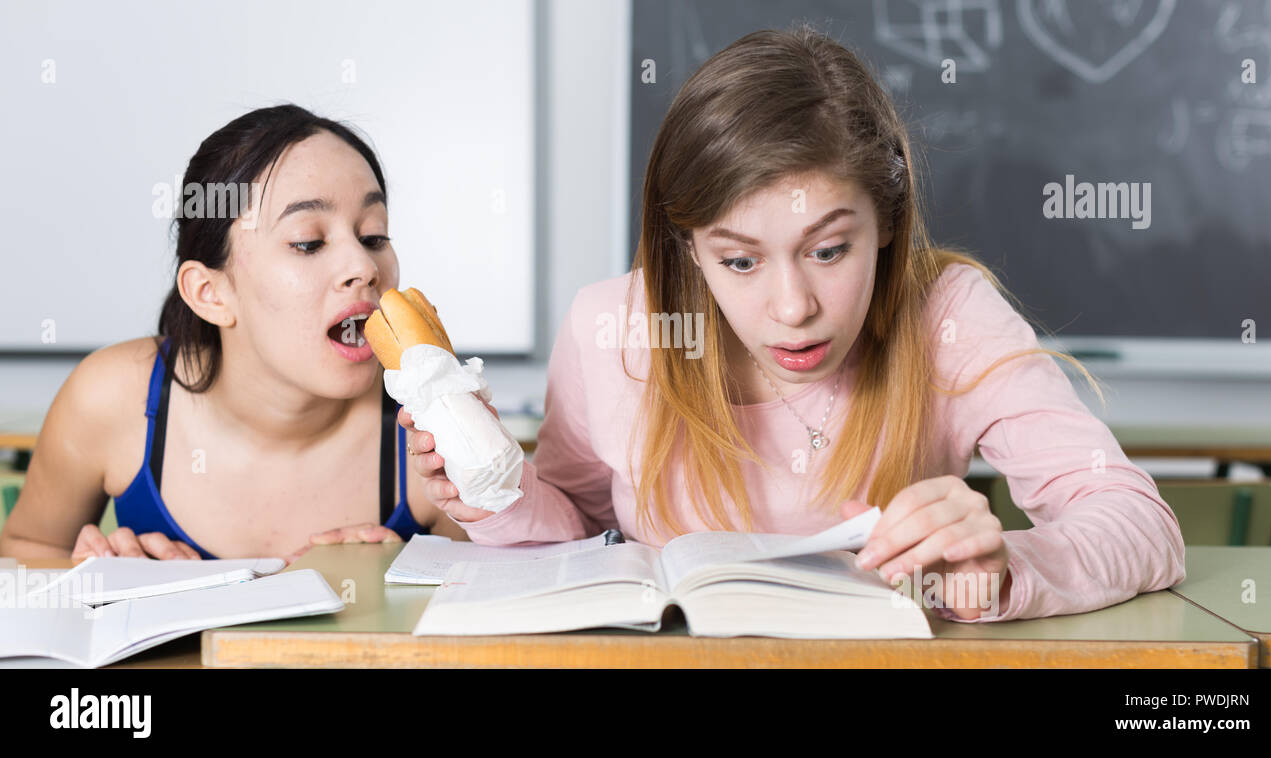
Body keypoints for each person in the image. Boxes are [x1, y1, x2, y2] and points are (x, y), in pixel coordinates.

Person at [401, 27, 1186, 621]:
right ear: (691, 250)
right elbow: (579, 539)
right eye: (740, 261)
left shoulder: (945, 314)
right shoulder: (618, 326)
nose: (793, 308)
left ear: (885, 219)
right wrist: (495, 496)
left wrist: (1000, 569)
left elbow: (1141, 526)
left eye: (829, 249)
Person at [0, 105, 466, 563]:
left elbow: (510, 594)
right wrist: (106, 587)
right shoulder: (110, 397)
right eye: (308, 242)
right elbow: (23, 555)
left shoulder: (434, 430)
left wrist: (406, 581)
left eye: (373, 236)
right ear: (210, 293)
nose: (364, 268)